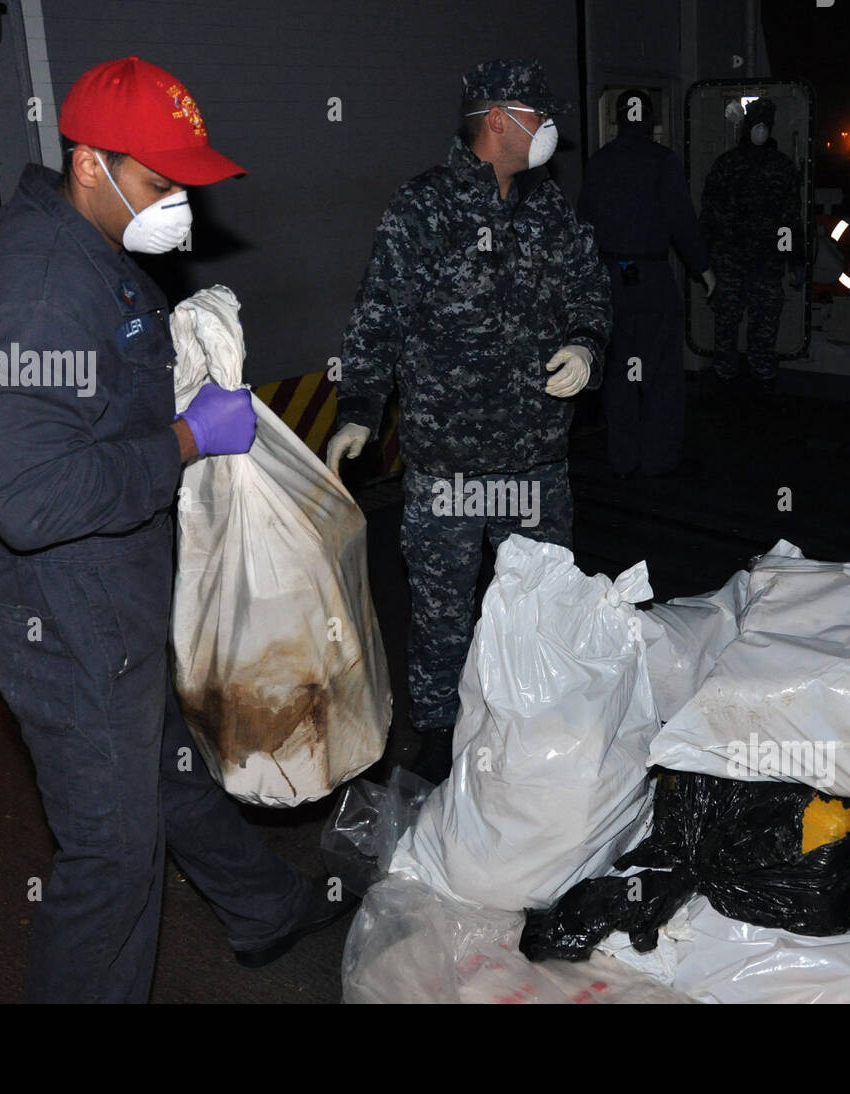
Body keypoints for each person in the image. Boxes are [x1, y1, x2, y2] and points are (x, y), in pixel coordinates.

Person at [0, 56, 351, 1003]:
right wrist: (184, 437)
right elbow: (32, 495)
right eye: (161, 182)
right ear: (90, 163)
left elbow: (80, 409)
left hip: (114, 600)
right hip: (70, 623)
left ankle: (264, 910)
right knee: (112, 861)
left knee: (169, 767)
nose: (182, 204)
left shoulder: (88, 249)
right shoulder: (40, 286)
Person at [327, 59, 611, 783]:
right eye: (537, 115)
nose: (550, 129)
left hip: (536, 463)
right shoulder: (423, 208)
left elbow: (591, 293)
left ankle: (542, 728)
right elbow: (378, 315)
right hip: (448, 466)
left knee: (545, 605)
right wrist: (359, 409)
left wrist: (587, 344)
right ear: (498, 120)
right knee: (443, 615)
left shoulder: (552, 211)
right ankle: (435, 736)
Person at [577, 89, 715, 478]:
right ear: (651, 121)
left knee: (620, 371)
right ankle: (658, 458)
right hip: (651, 278)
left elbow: (583, 225)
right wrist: (704, 270)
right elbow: (682, 222)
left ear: (618, 119)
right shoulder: (663, 162)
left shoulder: (599, 163)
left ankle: (623, 457)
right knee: (661, 374)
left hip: (610, 276)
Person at [700, 96, 804, 398]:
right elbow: (710, 216)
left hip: (753, 262)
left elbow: (789, 220)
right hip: (742, 261)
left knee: (753, 323)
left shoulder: (741, 164)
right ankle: (745, 374)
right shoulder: (740, 165)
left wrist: (794, 258)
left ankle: (739, 374)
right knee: (739, 322)